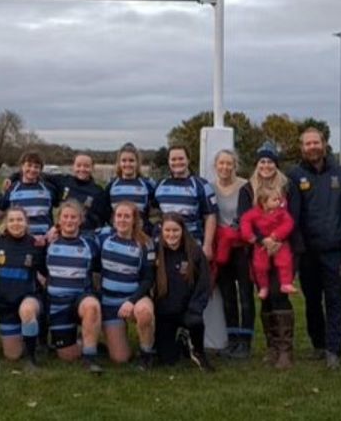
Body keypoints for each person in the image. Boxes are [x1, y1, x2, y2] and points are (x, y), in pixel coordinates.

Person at [286, 127, 341, 369]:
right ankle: (319, 344)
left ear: (324, 144)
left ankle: (334, 348)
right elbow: (293, 215)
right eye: (307, 143)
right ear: (301, 147)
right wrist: (298, 248)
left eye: (316, 142)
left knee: (334, 299)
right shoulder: (294, 176)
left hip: (334, 250)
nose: (312, 147)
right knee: (312, 301)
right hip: (307, 251)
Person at [239, 146, 296, 367]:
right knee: (265, 295)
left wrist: (277, 239)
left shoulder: (287, 187)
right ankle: (271, 346)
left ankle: (285, 350)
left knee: (279, 293)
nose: (266, 166)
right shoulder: (248, 189)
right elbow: (244, 218)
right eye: (262, 162)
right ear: (257, 164)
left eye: (270, 162)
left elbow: (293, 216)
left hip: (284, 247)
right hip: (259, 250)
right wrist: (264, 240)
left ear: (276, 164)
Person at [45, 201, 103, 373]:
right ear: (59, 220)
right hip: (57, 306)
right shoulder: (48, 243)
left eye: (73, 217)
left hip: (80, 301)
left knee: (92, 305)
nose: (69, 221)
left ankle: (90, 357)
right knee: (67, 356)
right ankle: (83, 338)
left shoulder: (90, 244)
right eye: (65, 217)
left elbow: (99, 268)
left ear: (80, 220)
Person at [98, 201, 157, 368]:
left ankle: (147, 354)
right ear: (113, 219)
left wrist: (131, 301)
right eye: (119, 216)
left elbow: (148, 279)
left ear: (134, 220)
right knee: (120, 358)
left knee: (144, 312)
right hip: (109, 303)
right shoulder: (103, 236)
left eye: (127, 216)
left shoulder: (145, 243)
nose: (122, 220)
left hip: (134, 298)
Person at [151, 214, 212, 369]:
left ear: (183, 230)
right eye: (167, 230)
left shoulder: (195, 252)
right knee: (168, 360)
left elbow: (204, 284)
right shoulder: (155, 252)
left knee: (195, 321)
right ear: (161, 231)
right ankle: (182, 341)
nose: (171, 234)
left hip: (187, 310)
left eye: (175, 230)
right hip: (165, 313)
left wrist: (195, 309)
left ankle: (199, 351)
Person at [210, 149, 254, 359]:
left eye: (229, 164)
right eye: (221, 164)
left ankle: (245, 341)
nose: (225, 168)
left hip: (242, 247)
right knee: (227, 296)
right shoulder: (210, 188)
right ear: (216, 166)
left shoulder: (246, 186)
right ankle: (232, 339)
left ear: (235, 166)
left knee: (245, 295)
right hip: (222, 248)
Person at [0, 207, 44, 367]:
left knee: (27, 311)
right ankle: (26, 332)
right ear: (6, 223)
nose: (16, 223)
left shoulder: (35, 244)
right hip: (5, 304)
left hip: (28, 297)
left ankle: (32, 358)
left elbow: (45, 272)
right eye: (12, 220)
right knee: (12, 355)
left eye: (20, 220)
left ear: (26, 223)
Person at [152, 145, 218, 252]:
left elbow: (210, 216)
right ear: (168, 161)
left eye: (181, 158)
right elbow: (153, 210)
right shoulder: (160, 184)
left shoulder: (201, 185)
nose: (177, 162)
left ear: (188, 160)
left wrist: (207, 245)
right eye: (173, 159)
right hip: (166, 242)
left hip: (192, 241)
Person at [240, 187, 298, 300]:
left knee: (285, 261)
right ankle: (263, 286)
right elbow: (244, 221)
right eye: (275, 200)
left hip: (279, 241)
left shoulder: (282, 213)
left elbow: (289, 224)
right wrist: (250, 236)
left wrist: (276, 235)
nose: (278, 202)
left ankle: (286, 283)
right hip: (261, 244)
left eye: (279, 199)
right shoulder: (254, 213)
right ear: (264, 202)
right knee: (260, 266)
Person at [0, 150, 56, 244]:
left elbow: (62, 211)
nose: (32, 169)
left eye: (36, 167)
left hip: (44, 241)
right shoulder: (12, 188)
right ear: (22, 166)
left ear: (40, 170)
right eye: (29, 165)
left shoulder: (49, 189)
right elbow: (2, 209)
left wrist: (54, 230)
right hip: (19, 241)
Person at [105, 143, 156, 227]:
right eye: (124, 161)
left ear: (137, 162)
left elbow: (157, 208)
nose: (127, 164)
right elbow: (106, 211)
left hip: (140, 233)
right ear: (119, 163)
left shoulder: (147, 184)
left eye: (131, 160)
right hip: (118, 233)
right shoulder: (111, 184)